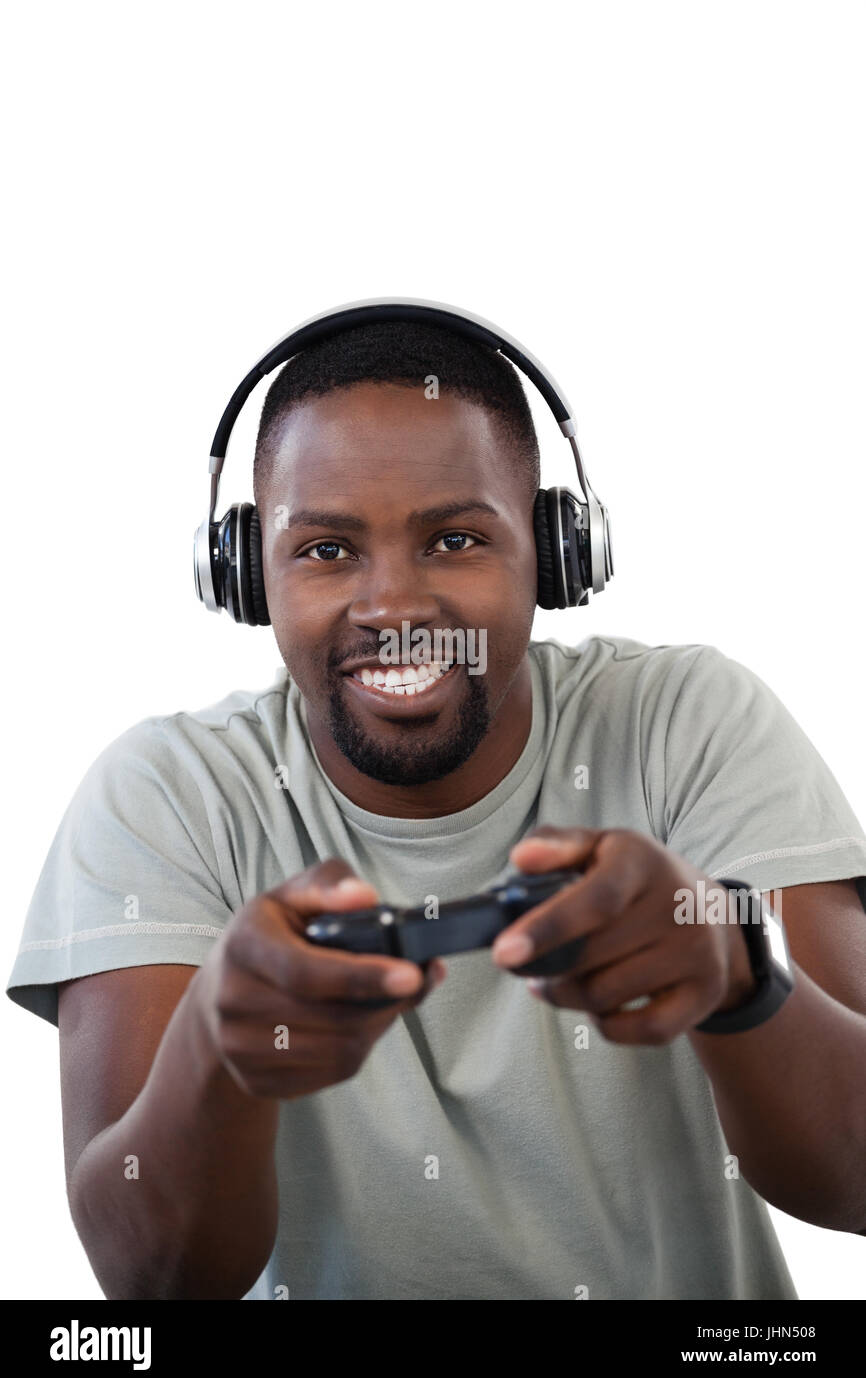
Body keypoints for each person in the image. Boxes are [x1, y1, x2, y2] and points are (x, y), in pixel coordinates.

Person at [7, 318, 866, 1301]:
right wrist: (215, 1053)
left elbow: (850, 1177)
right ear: (247, 575)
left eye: (453, 539)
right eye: (327, 548)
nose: (392, 605)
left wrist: (738, 973)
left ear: (553, 552)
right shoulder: (162, 796)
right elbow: (149, 1281)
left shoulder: (690, 724)